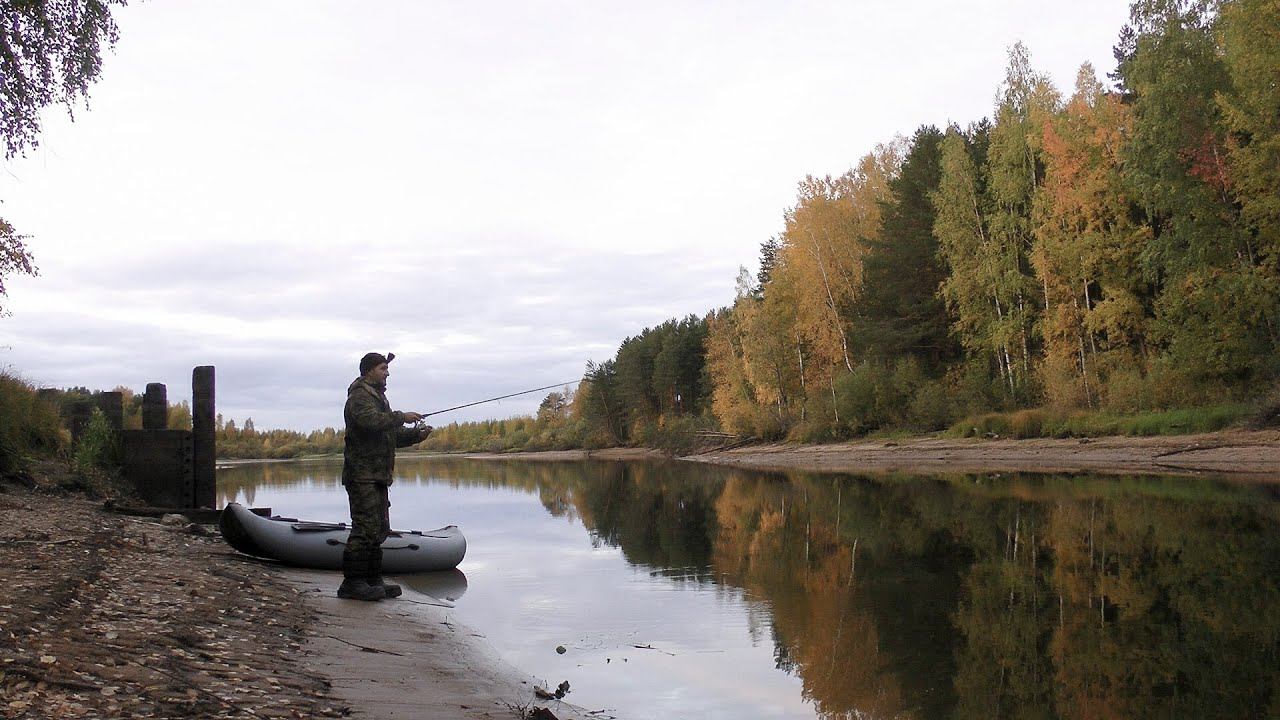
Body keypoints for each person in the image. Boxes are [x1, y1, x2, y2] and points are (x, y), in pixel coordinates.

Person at [338, 351, 432, 601]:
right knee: (364, 529)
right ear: (369, 370)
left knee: (378, 529)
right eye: (383, 368)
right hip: (362, 475)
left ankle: (372, 580)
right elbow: (371, 422)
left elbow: (390, 436)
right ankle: (352, 583)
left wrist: (417, 435)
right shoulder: (358, 397)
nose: (387, 373)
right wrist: (402, 416)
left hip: (378, 476)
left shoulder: (378, 398)